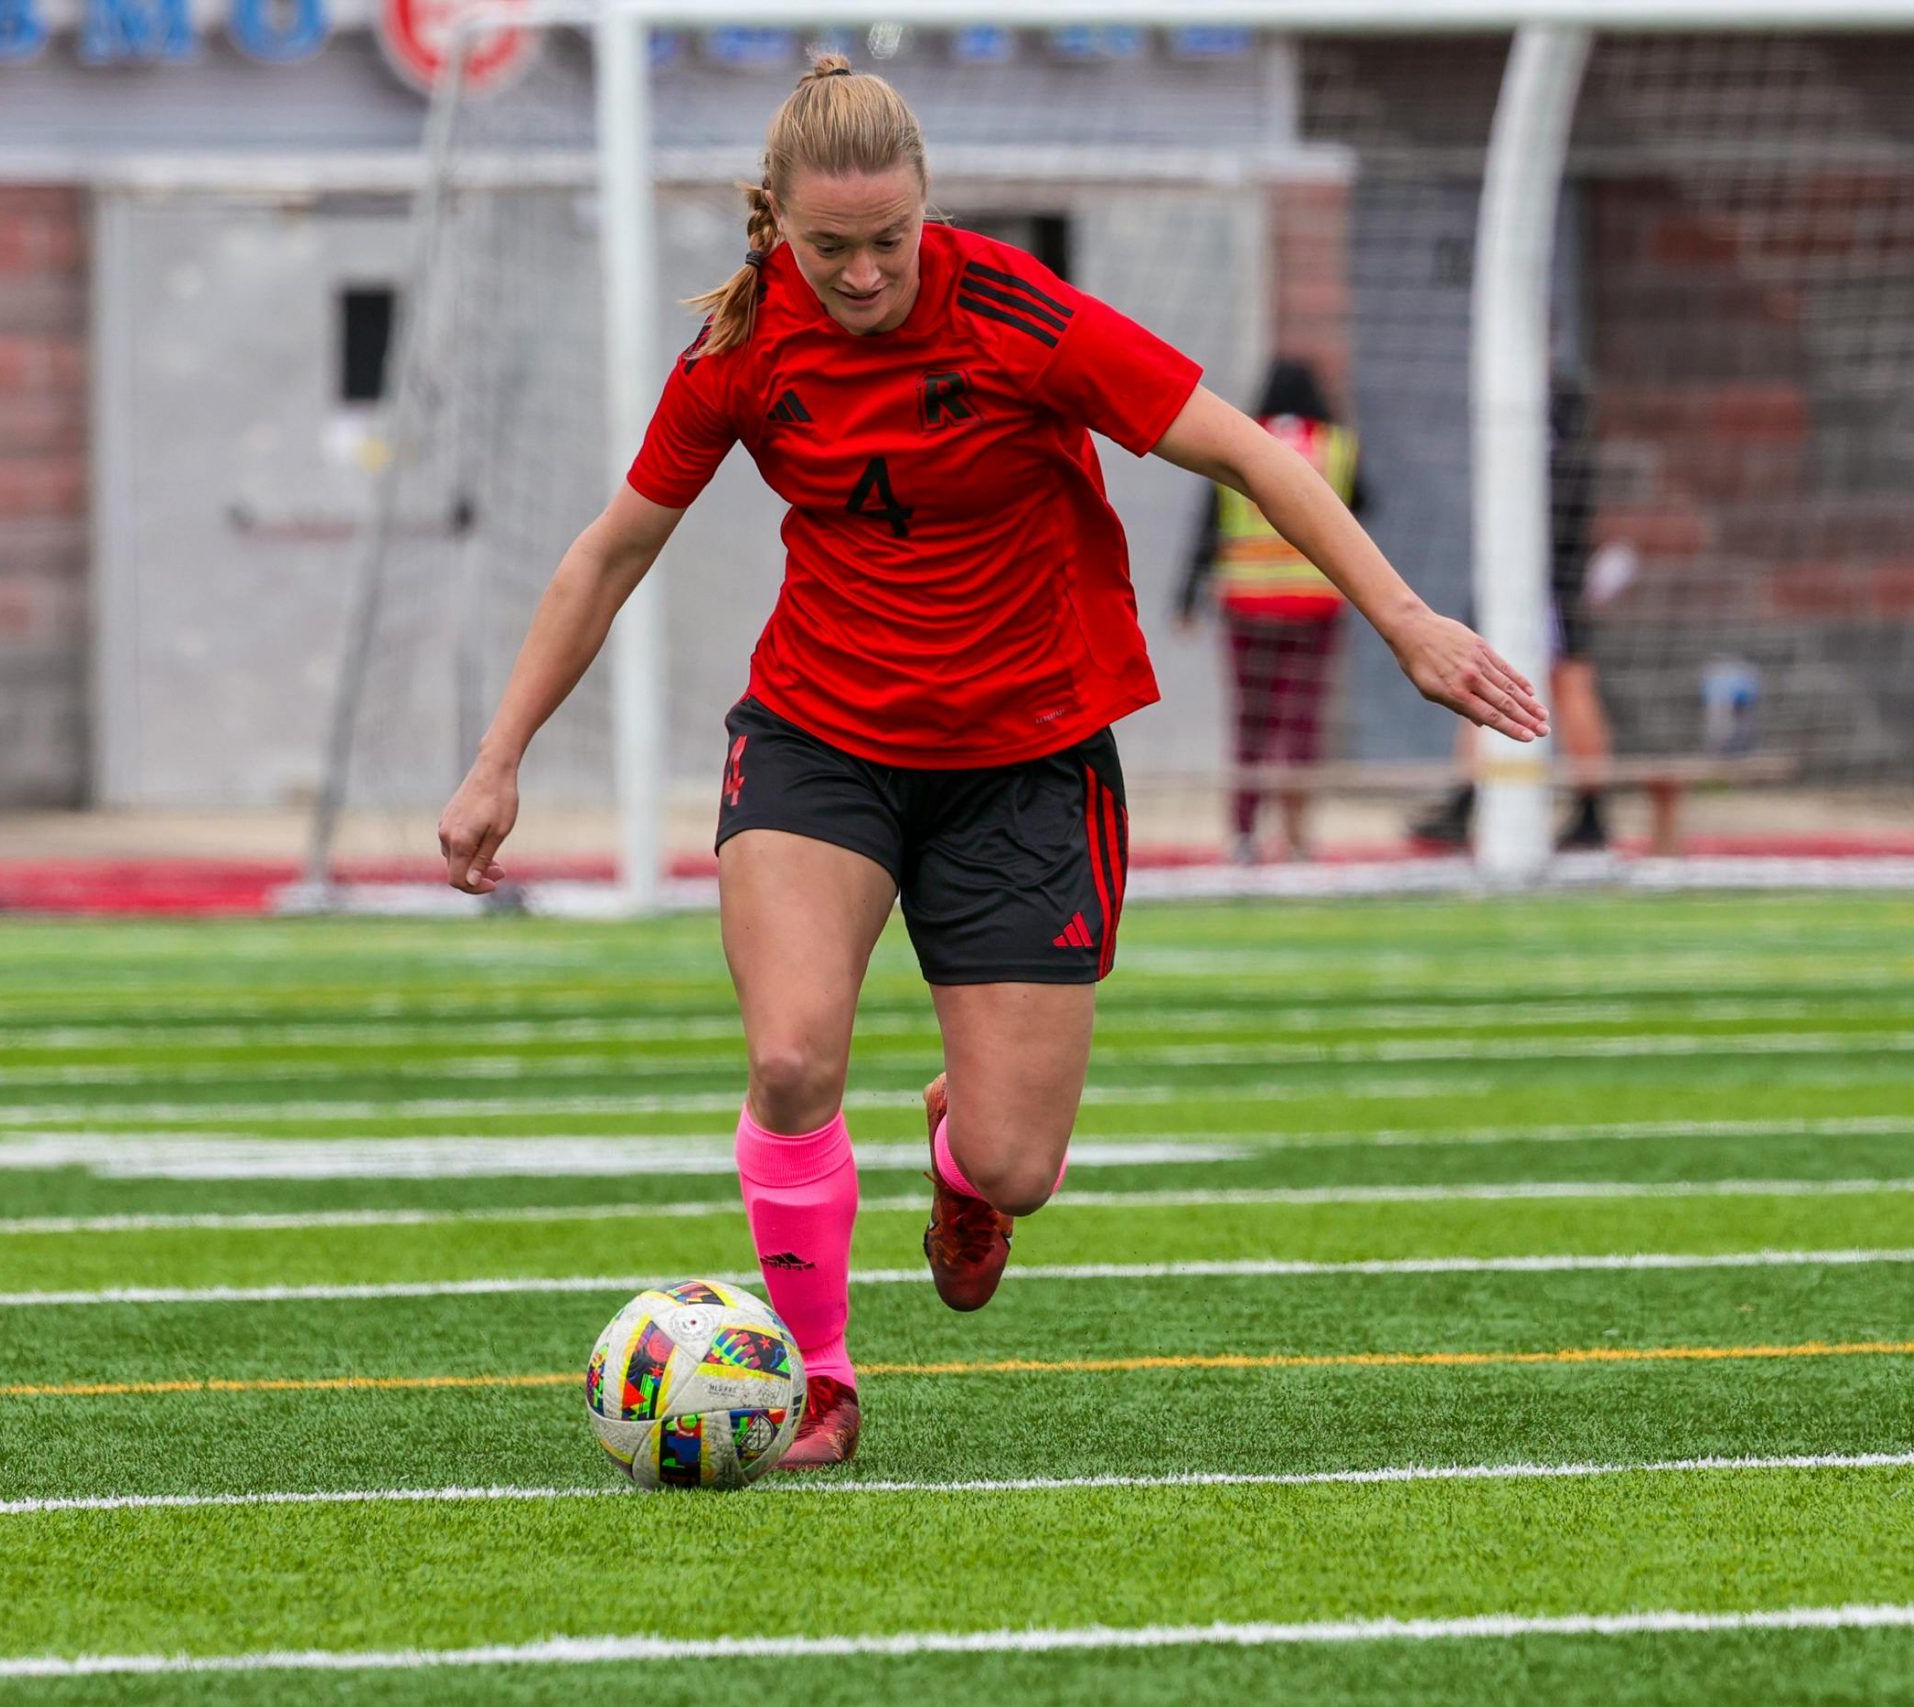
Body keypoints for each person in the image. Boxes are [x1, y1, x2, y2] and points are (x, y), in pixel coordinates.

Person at [435, 58, 1544, 1470]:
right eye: (830, 246)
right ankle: (818, 1379)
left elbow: (1248, 455)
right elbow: (612, 550)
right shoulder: (743, 347)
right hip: (820, 736)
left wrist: (1406, 620)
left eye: (889, 239)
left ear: (924, 207)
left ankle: (966, 1158)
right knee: (788, 1056)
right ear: (775, 222)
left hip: (1026, 758)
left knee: (1019, 1161)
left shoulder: (1018, 311)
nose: (862, 271)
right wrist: (498, 758)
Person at [1409, 369, 1615, 850]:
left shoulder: (1545, 412)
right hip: (1524, 569)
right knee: (1484, 673)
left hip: (1537, 573)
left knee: (1566, 682)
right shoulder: (1553, 417)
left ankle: (1589, 808)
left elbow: (1561, 501)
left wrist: (1549, 568)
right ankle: (1470, 797)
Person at [1176, 358, 1366, 864]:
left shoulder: (1241, 440)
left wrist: (1187, 598)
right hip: (1313, 606)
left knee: (1251, 721)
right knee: (1301, 721)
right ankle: (1300, 835)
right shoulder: (1337, 446)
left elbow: (1208, 526)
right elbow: (1362, 508)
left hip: (1248, 604)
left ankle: (1242, 836)